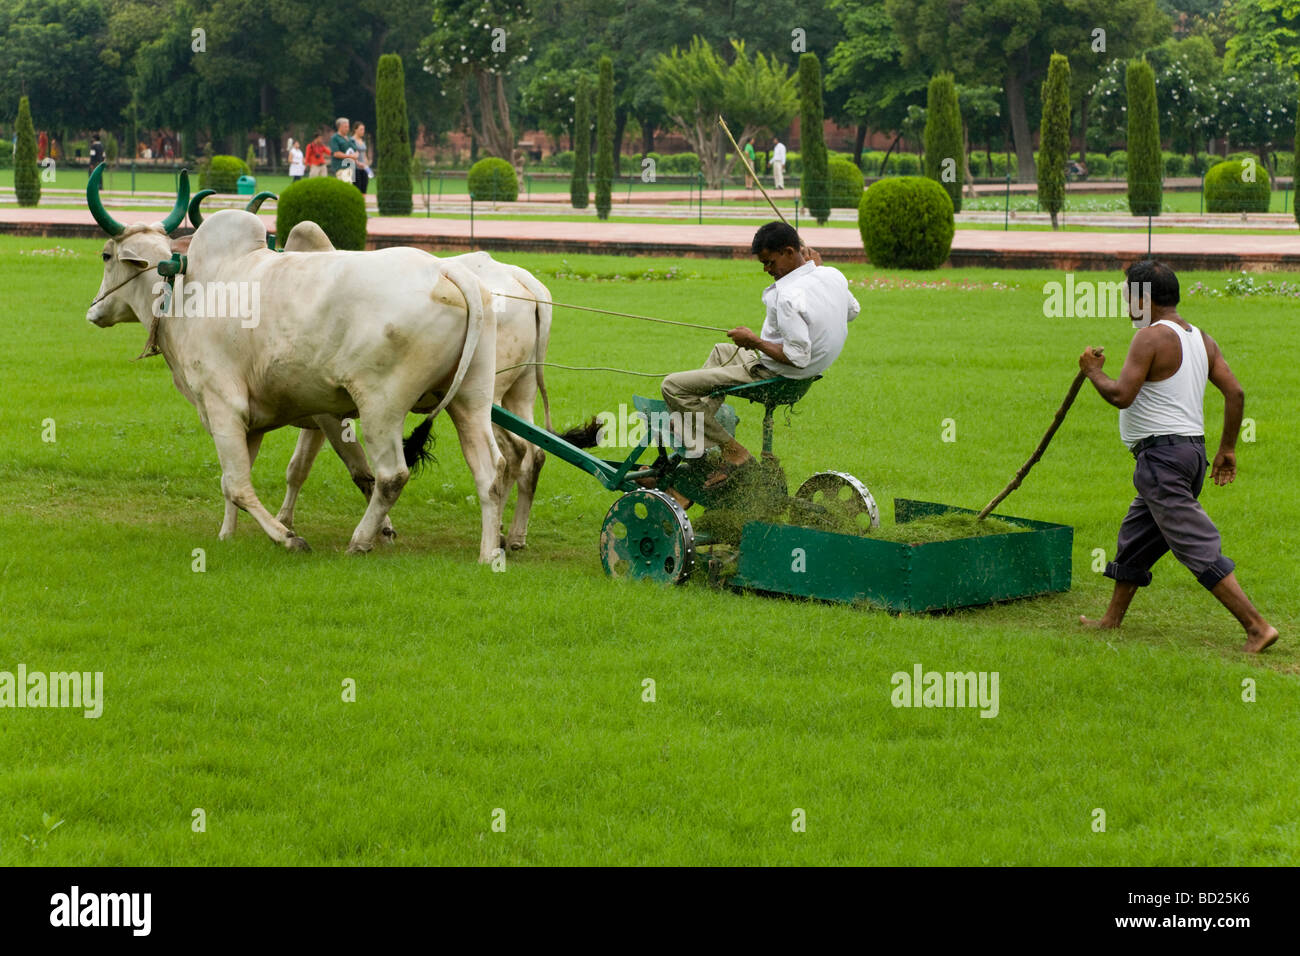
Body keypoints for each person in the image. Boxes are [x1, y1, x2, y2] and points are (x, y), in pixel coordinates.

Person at [1078, 259, 1277, 654]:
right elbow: (1235, 393)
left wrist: (1092, 372)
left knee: (1194, 544)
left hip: (1162, 460)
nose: (1124, 304)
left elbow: (1121, 395)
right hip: (1191, 456)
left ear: (1142, 298)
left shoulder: (1149, 338)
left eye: (1127, 296)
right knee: (1136, 539)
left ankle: (1257, 627)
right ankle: (1110, 620)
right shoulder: (1201, 338)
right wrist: (1227, 450)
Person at [660, 221, 859, 502]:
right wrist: (819, 270)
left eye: (769, 262)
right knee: (720, 352)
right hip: (803, 378)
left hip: (777, 378)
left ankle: (733, 452)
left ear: (790, 252)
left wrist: (755, 342)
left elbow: (797, 357)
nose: (766, 269)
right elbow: (852, 310)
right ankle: (694, 425)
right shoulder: (832, 275)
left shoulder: (787, 296)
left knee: (672, 386)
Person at [328, 117, 357, 182]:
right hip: (341, 167)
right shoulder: (335, 138)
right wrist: (350, 157)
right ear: (340, 127)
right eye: (345, 127)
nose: (347, 129)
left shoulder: (349, 138)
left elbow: (355, 149)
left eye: (348, 127)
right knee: (345, 186)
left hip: (351, 167)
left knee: (350, 187)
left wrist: (356, 155)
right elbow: (336, 153)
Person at [351, 122, 371, 193]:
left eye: (363, 129)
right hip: (355, 169)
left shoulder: (363, 141)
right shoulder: (352, 141)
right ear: (355, 130)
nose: (363, 131)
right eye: (361, 129)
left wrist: (367, 166)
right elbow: (351, 154)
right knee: (357, 189)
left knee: (364, 188)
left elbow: (364, 155)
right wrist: (358, 163)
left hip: (364, 168)